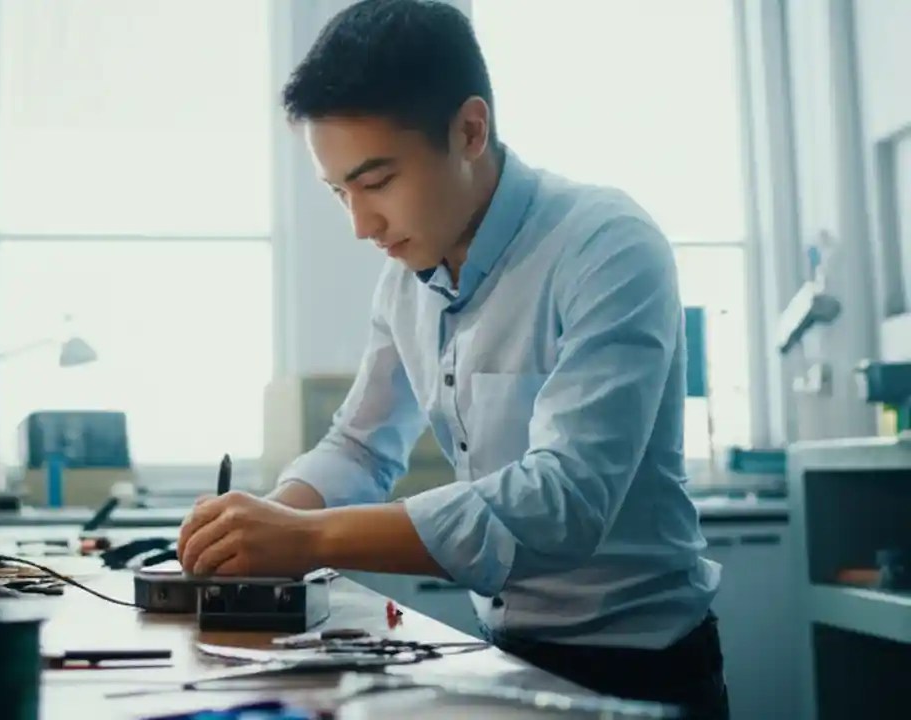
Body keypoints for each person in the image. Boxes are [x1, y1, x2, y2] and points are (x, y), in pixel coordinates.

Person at [177, 0, 728, 716]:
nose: (360, 225)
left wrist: (306, 537)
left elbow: (565, 500)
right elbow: (359, 446)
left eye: (376, 183)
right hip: (502, 655)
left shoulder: (606, 244)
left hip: (643, 670)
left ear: (471, 130)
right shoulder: (407, 278)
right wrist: (259, 525)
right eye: (339, 191)